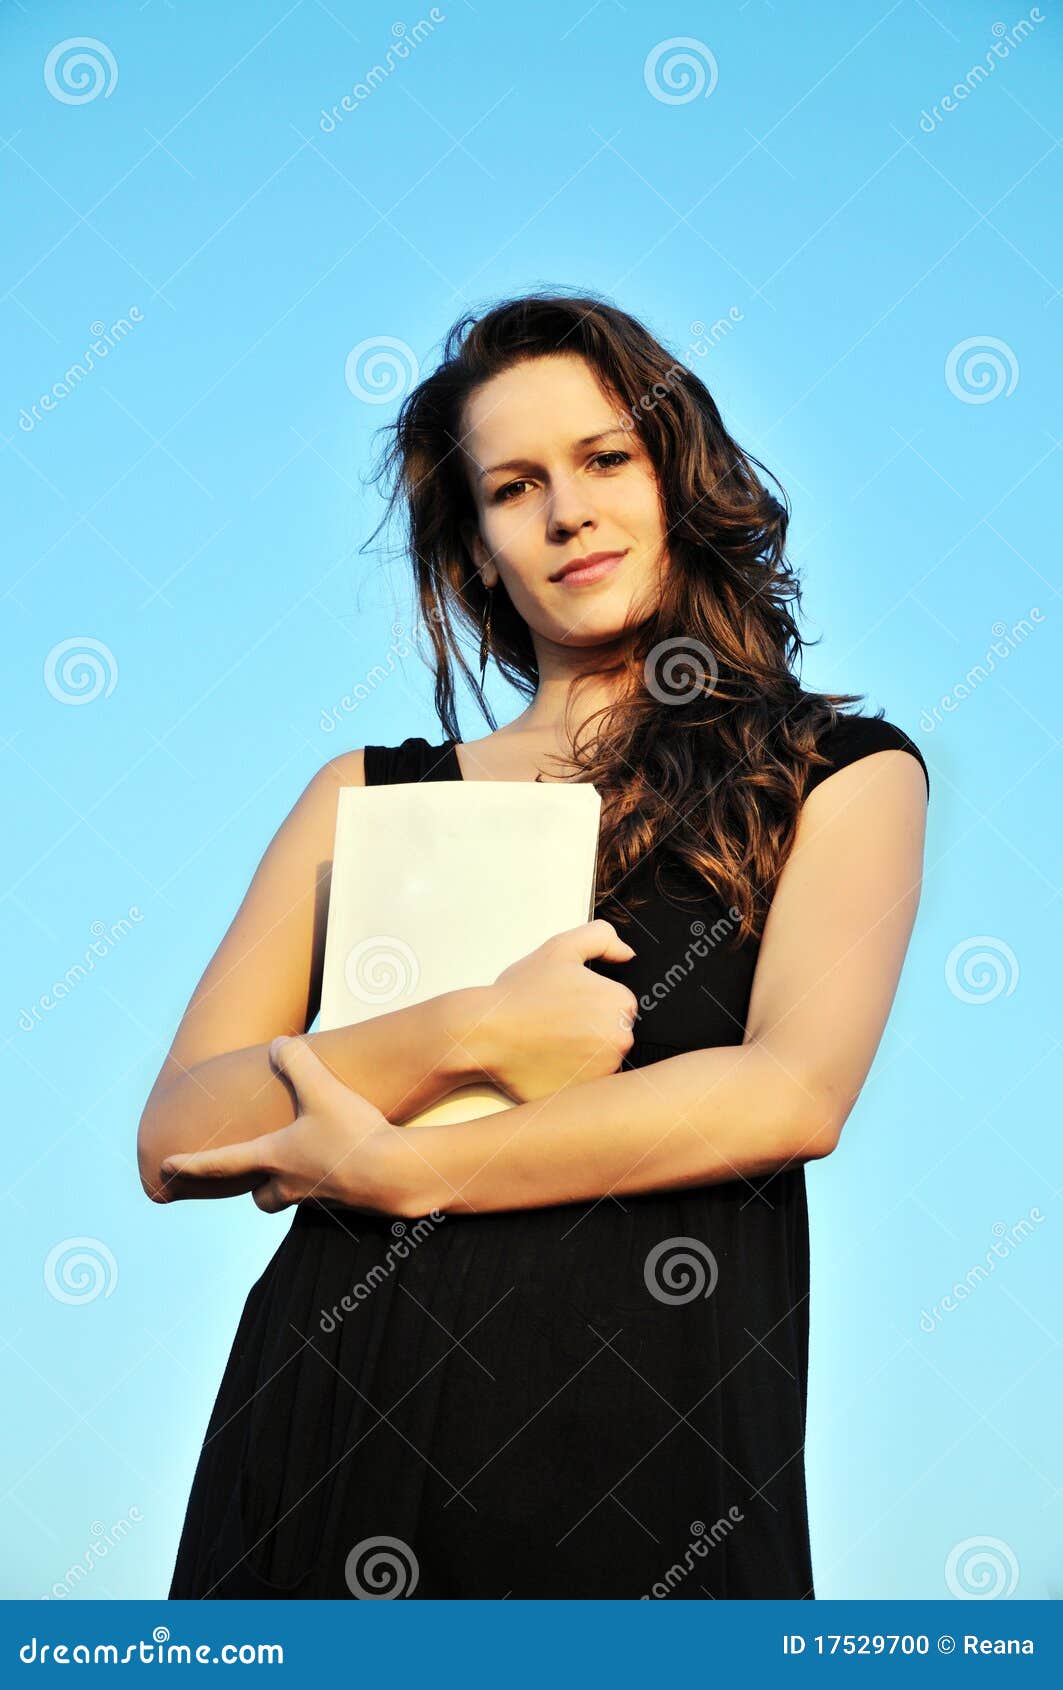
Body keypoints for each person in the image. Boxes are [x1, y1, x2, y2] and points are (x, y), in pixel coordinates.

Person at [139, 291, 930, 1599]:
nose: (568, 512)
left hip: (654, 1472)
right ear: (475, 548)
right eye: (514, 486)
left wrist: (403, 1167)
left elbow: (789, 1092)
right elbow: (177, 1132)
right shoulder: (365, 795)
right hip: (332, 1434)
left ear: (678, 478)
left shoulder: (838, 774)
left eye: (605, 458)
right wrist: (468, 1029)